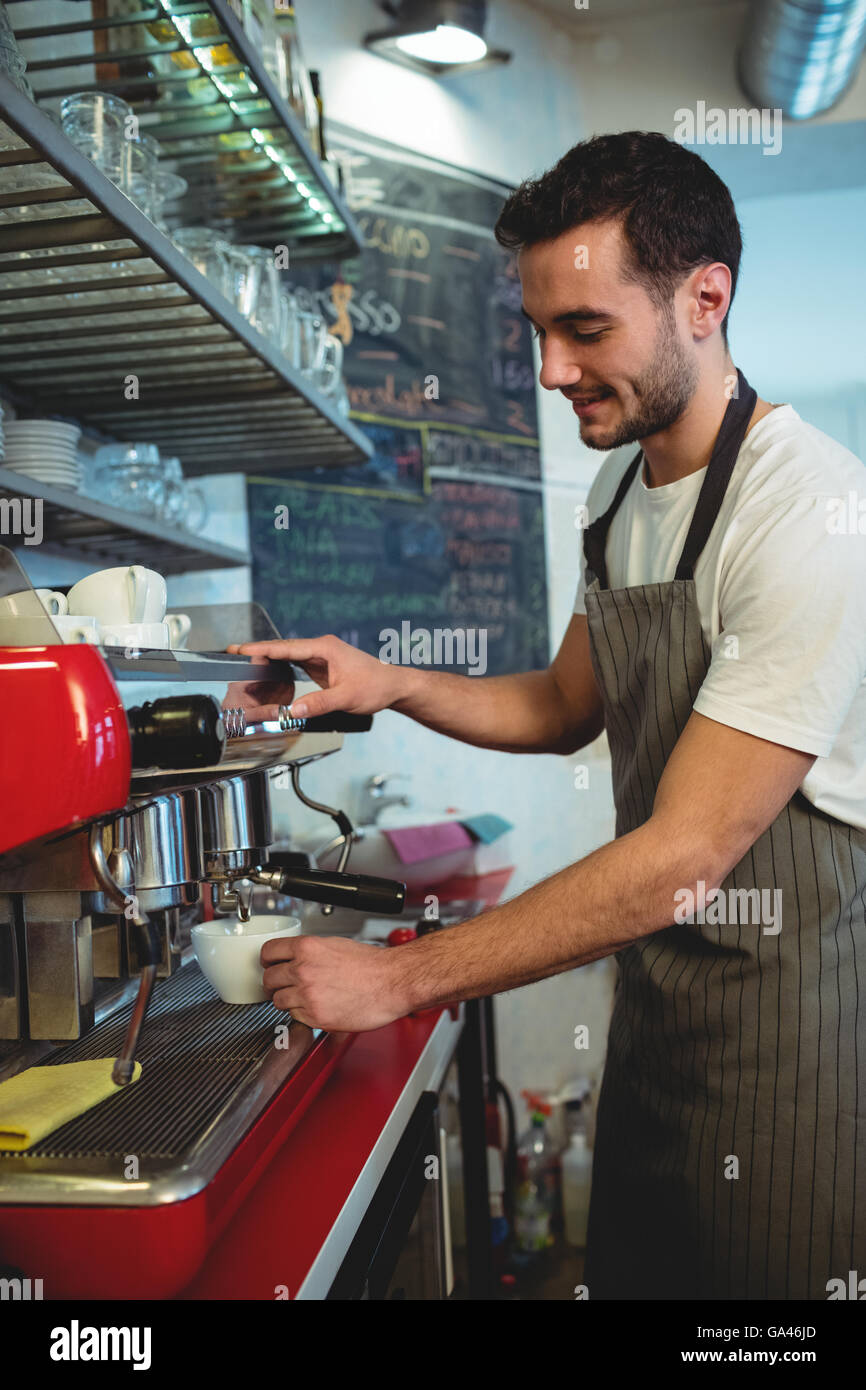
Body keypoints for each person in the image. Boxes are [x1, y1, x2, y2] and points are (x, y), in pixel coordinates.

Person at [229, 132, 866, 1300]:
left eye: (583, 329)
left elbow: (683, 855)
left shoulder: (806, 509)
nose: (547, 370)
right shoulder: (621, 488)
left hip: (791, 1052)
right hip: (657, 1023)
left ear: (702, 300)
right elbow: (566, 703)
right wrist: (391, 681)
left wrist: (405, 978)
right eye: (535, 330)